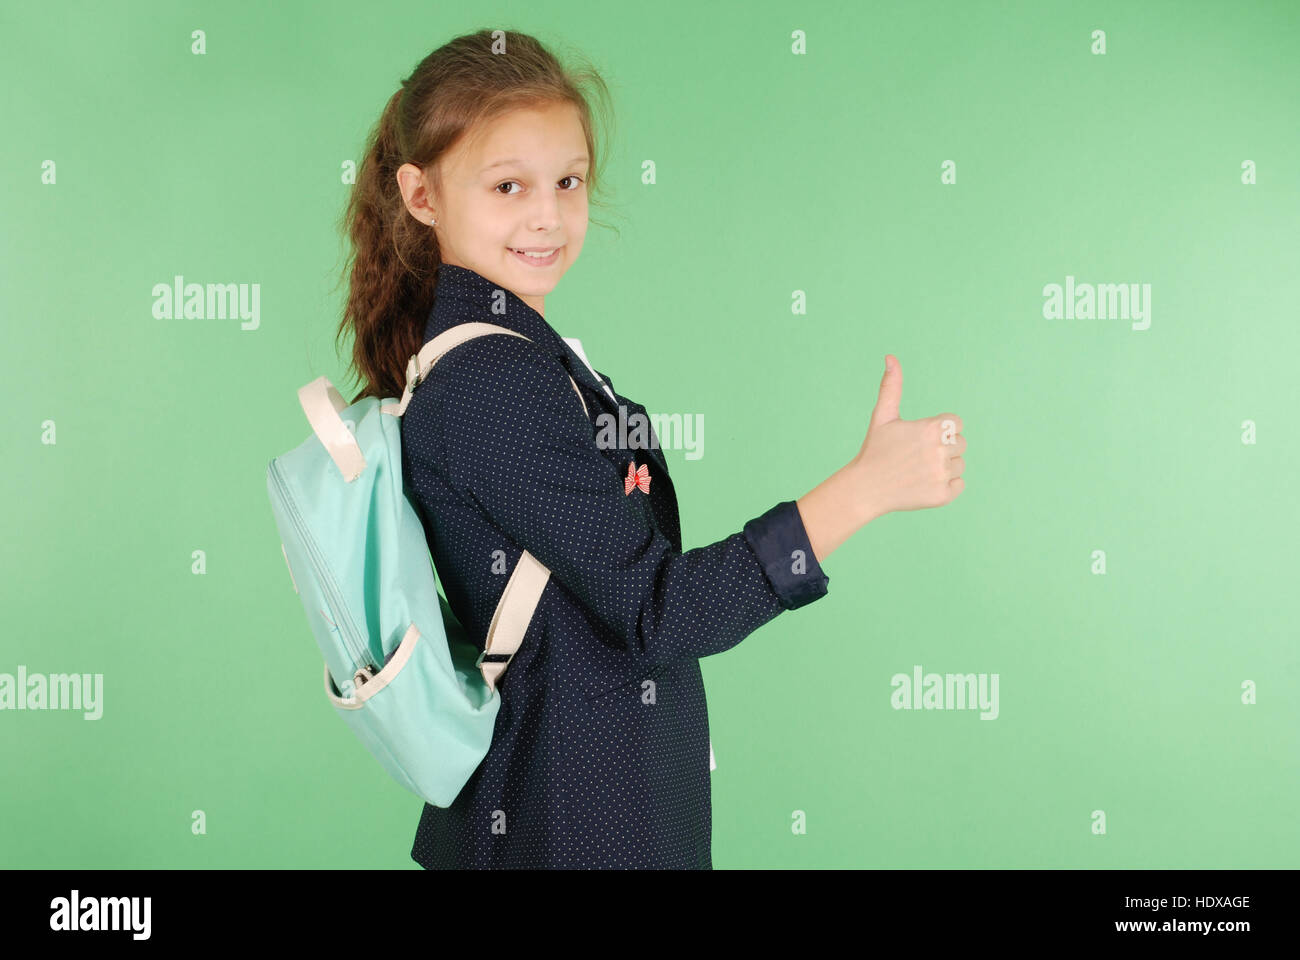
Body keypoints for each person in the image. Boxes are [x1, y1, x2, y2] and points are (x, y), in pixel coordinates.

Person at [335, 28, 966, 869]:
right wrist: (864, 489)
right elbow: (659, 611)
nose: (547, 214)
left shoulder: (514, 352)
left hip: (571, 810)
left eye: (568, 180)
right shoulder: (492, 377)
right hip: (568, 828)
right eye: (507, 185)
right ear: (421, 195)